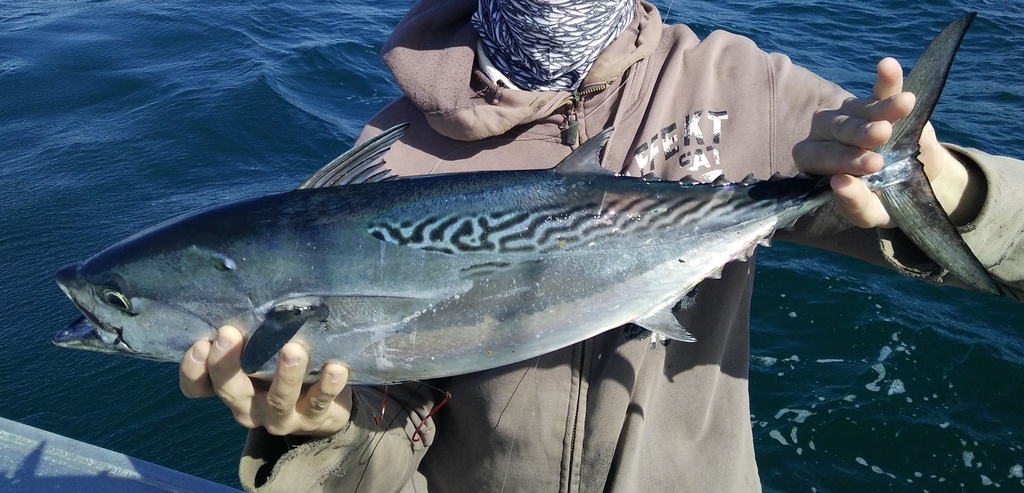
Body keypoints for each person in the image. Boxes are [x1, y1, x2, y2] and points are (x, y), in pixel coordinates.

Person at [179, 1, 1024, 492]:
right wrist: (321, 434)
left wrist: (951, 190)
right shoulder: (387, 162)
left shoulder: (744, 88)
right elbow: (389, 430)